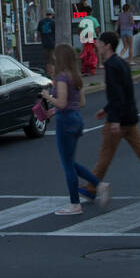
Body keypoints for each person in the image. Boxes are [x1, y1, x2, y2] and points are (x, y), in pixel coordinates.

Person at [88, 32, 140, 200]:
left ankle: (90, 187)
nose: (98, 45)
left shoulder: (111, 66)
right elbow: (125, 92)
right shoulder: (122, 63)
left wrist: (114, 119)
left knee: (105, 154)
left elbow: (117, 94)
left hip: (119, 119)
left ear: (108, 45)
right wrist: (106, 108)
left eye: (100, 43)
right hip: (130, 117)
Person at [42, 44, 105, 216]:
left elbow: (62, 103)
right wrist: (54, 110)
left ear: (60, 58)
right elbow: (81, 102)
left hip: (66, 121)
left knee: (68, 165)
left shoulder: (62, 77)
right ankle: (98, 184)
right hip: (76, 119)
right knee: (69, 162)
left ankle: (75, 203)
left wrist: (48, 97)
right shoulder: (76, 77)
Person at [77, 5, 100, 76]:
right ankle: (96, 65)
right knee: (95, 51)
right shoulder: (94, 19)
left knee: (86, 52)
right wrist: (97, 34)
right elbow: (97, 29)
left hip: (85, 36)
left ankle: (85, 68)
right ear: (91, 12)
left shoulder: (83, 20)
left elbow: (79, 30)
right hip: (92, 36)